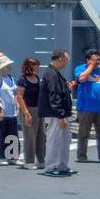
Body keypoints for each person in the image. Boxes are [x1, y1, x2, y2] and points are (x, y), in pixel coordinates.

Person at [38, 48, 74, 176]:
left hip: (60, 113)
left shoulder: (55, 73)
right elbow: (54, 95)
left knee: (64, 140)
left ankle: (62, 165)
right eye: (66, 59)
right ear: (60, 59)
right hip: (55, 114)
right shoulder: (51, 74)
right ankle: (51, 166)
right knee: (55, 140)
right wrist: (60, 115)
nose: (67, 62)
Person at [74, 48, 100, 164]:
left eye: (99, 60)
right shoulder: (81, 69)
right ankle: (82, 156)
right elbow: (81, 79)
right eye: (95, 60)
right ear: (87, 60)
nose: (97, 62)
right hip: (86, 107)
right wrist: (90, 67)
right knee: (83, 133)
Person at [15, 56, 45, 170]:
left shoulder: (37, 78)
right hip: (28, 109)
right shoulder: (22, 80)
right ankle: (29, 161)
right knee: (30, 137)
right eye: (35, 66)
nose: (37, 68)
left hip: (38, 110)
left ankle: (41, 160)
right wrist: (26, 113)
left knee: (41, 136)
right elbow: (19, 97)